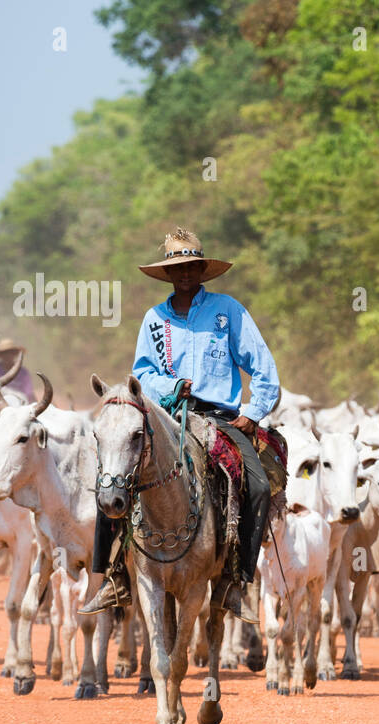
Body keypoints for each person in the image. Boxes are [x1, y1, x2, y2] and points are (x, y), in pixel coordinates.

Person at [79, 228, 281, 620]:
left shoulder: (228, 312)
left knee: (256, 484)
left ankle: (235, 582)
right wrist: (171, 385)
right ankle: (115, 577)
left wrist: (253, 413)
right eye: (177, 268)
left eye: (191, 266)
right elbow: (141, 372)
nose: (185, 273)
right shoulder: (155, 319)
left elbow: (263, 368)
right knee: (114, 477)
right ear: (168, 275)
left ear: (203, 269)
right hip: (166, 416)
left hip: (220, 418)